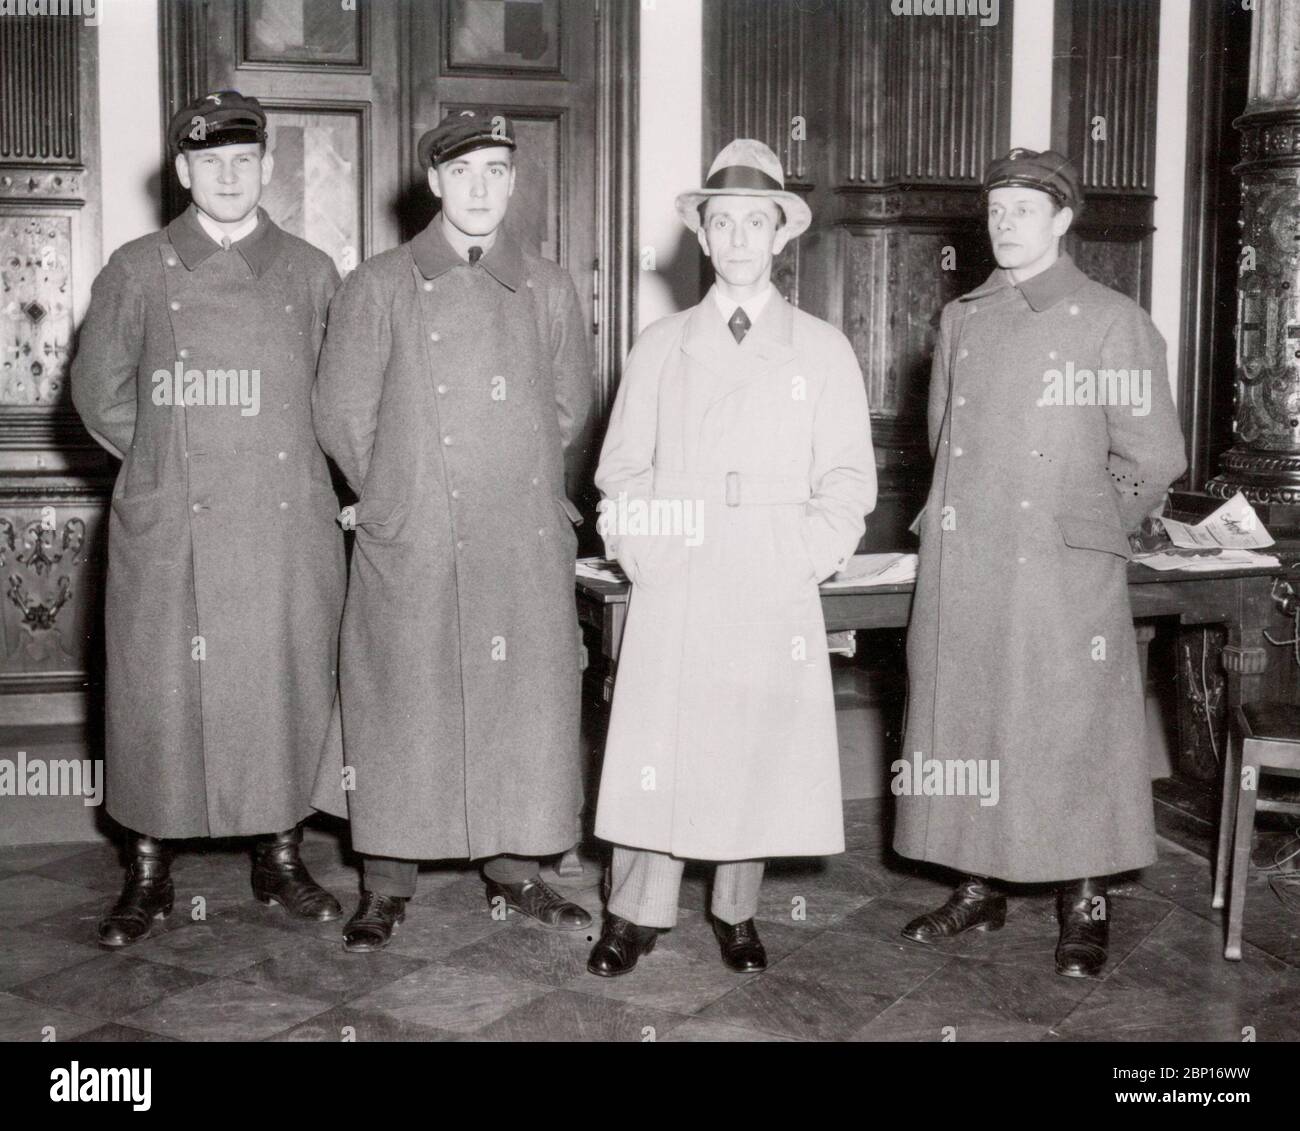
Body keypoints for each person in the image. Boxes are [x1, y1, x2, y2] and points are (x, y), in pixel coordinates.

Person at [894, 148, 1188, 978]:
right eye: (996, 208)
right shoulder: (964, 318)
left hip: (1062, 566)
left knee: (1070, 727)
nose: (1005, 222)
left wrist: (1088, 526)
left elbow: (1155, 453)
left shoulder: (1109, 318)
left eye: (1024, 208)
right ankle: (976, 883)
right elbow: (942, 437)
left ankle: (1084, 899)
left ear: (1063, 220)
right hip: (968, 554)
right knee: (969, 715)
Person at [587, 139, 877, 976]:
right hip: (677, 574)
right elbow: (621, 471)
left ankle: (738, 909)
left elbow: (849, 480)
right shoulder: (660, 344)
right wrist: (644, 550)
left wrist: (802, 555)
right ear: (703, 239)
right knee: (658, 748)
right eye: (725, 223)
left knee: (752, 747)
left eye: (758, 221)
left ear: (781, 234)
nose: (741, 238)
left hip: (769, 578)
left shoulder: (823, 350)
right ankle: (632, 910)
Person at [310, 111, 596, 951]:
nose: (481, 187)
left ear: (514, 183)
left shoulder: (546, 286)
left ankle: (515, 866)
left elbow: (566, 407)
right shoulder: (380, 283)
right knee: (402, 697)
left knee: (518, 698)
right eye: (463, 170)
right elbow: (340, 414)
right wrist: (397, 494)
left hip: (517, 532)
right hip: (418, 531)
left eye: (497, 171)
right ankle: (387, 881)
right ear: (433, 182)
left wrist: (516, 484)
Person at [70, 90, 347, 947]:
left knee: (281, 684)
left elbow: (338, 399)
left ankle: (280, 852)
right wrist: (164, 461)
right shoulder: (135, 266)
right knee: (156, 693)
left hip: (282, 525)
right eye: (210, 162)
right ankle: (148, 867)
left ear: (267, 169)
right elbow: (98, 393)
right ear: (184, 171)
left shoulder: (310, 270)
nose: (229, 176)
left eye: (244, 160)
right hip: (174, 523)